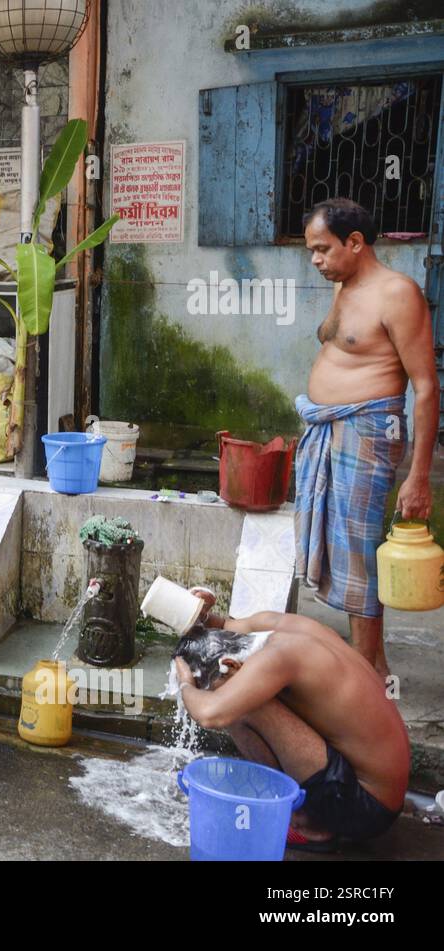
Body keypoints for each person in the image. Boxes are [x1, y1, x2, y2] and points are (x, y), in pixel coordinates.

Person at [296, 197, 437, 677]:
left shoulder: (398, 293)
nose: (315, 260)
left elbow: (426, 387)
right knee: (344, 552)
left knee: (358, 553)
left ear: (355, 243)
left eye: (322, 249)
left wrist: (419, 478)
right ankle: (372, 669)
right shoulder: (344, 284)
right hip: (331, 428)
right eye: (311, 250)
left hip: (368, 431)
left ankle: (369, 677)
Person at [173, 590, 408, 850]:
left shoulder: (278, 659)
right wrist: (201, 615)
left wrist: (186, 684)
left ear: (232, 663)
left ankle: (305, 823)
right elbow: (225, 625)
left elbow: (210, 714)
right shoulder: (282, 627)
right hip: (382, 789)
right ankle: (301, 807)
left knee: (240, 704)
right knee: (246, 697)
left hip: (366, 807)